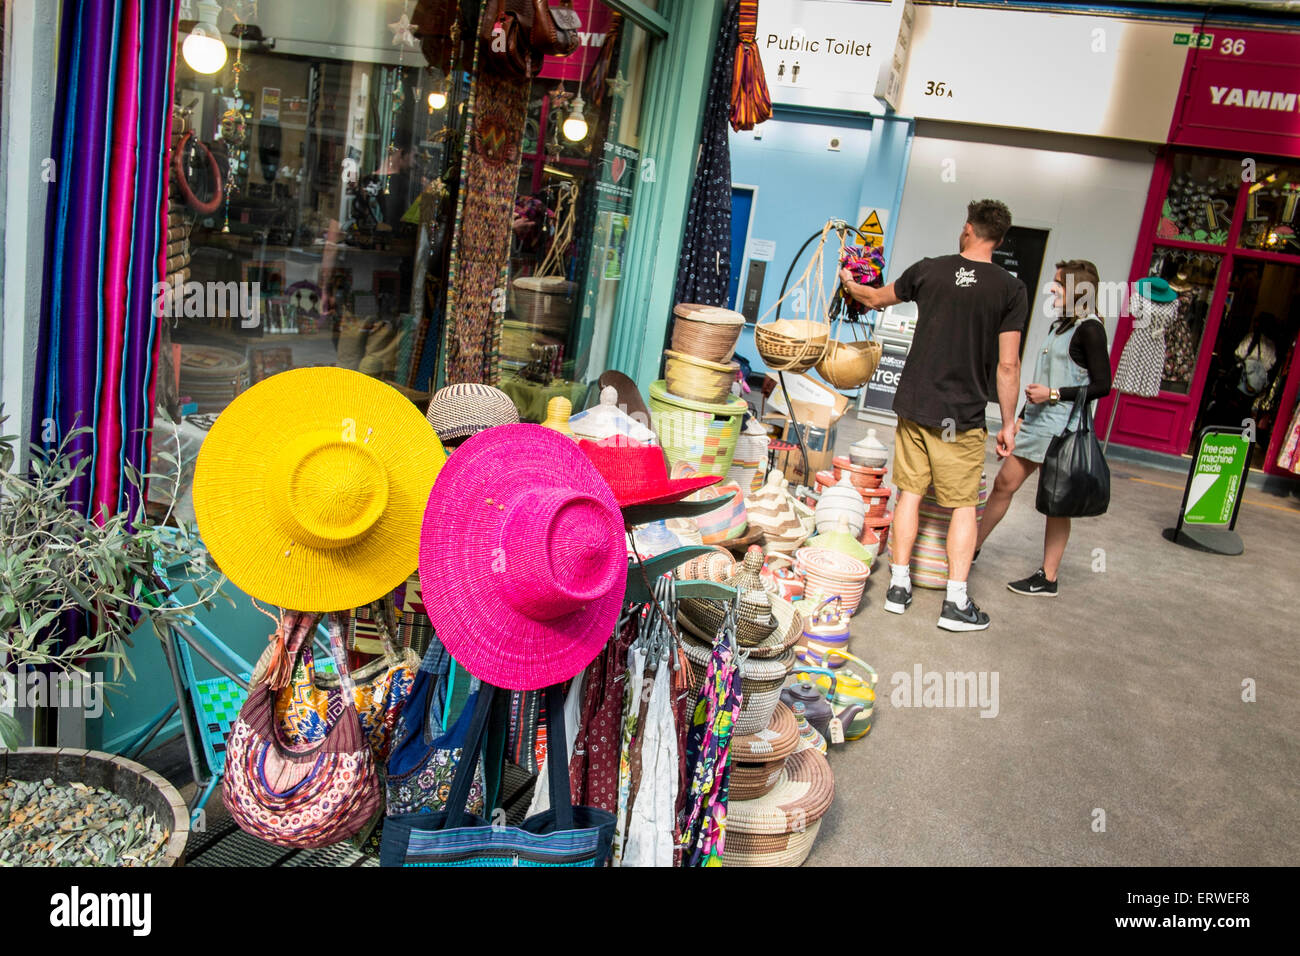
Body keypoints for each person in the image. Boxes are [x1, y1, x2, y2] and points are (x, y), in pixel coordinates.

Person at [839, 199, 1026, 632]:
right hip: (960, 416)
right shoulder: (1009, 288)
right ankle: (955, 602)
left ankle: (898, 589)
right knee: (963, 505)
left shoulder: (929, 269)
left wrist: (850, 281)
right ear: (998, 239)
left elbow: (873, 298)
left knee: (910, 494)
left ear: (967, 229)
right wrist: (1010, 421)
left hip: (916, 405)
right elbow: (1009, 364)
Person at [973, 259, 1113, 596]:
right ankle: (971, 547)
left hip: (1063, 432)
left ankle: (1048, 578)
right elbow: (1043, 380)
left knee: (1056, 504)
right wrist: (1020, 418)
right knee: (1003, 484)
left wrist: (1053, 394)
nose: (1053, 288)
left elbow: (1103, 385)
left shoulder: (1090, 329)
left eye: (1059, 284)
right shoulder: (1060, 326)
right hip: (1037, 425)